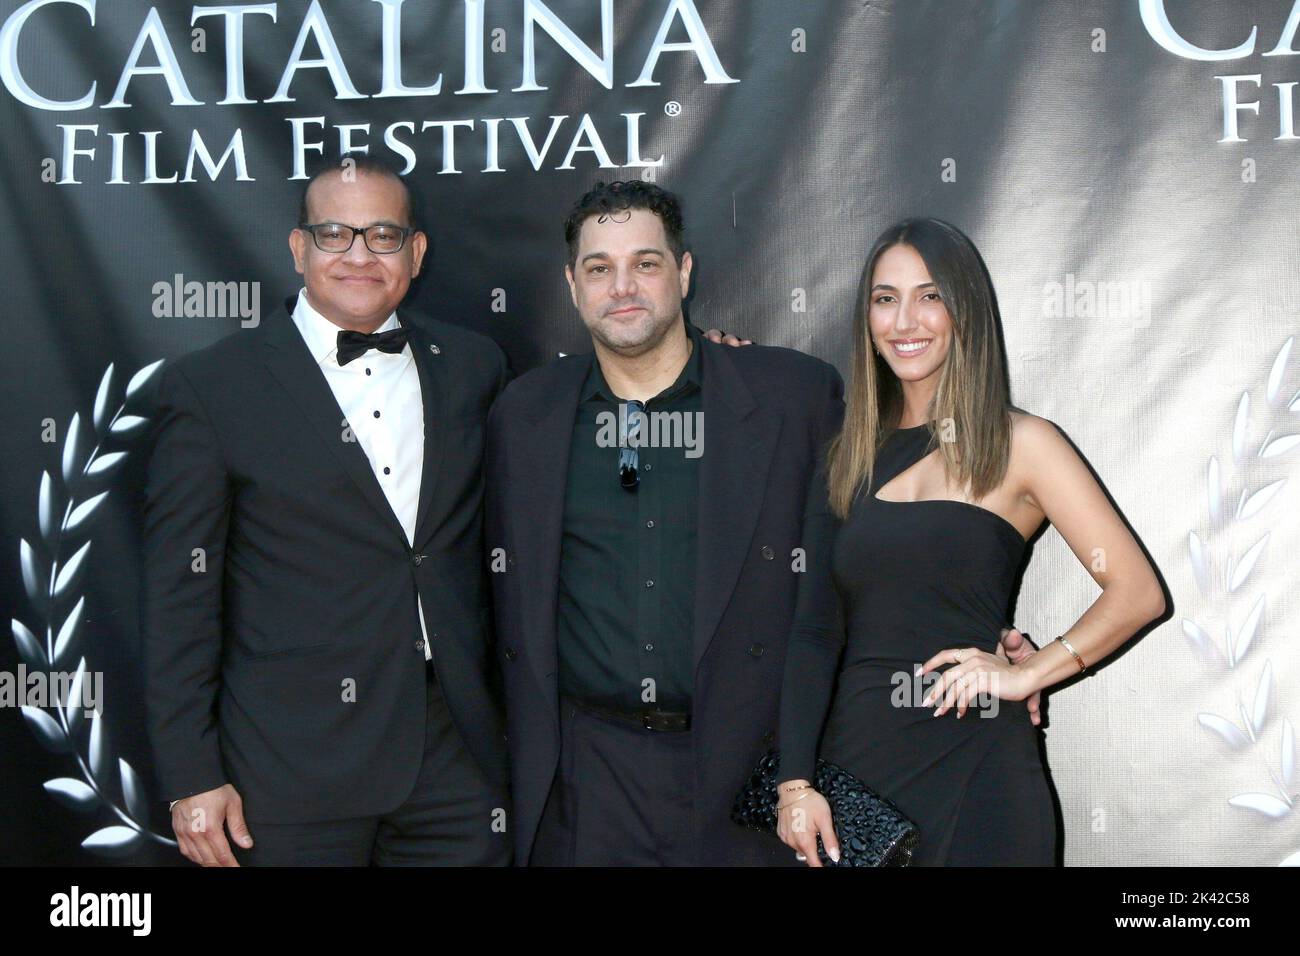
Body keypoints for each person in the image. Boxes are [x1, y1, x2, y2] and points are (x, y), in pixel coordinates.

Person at [483, 184, 1034, 866]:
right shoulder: (523, 415)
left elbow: (875, 550)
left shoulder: (792, 397)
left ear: (684, 274)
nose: (622, 286)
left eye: (646, 263)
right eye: (599, 268)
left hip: (756, 778)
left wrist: (985, 641)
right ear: (572, 284)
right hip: (588, 784)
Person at [140, 152, 512, 865]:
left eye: (383, 235)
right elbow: (177, 598)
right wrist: (192, 775)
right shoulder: (211, 388)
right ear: (298, 247)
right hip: (283, 765)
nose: (360, 255)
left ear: (416, 251)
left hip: (455, 753)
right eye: (335, 233)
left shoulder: (475, 366)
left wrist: (699, 364)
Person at [775, 217, 1167, 866]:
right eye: (884, 298)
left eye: (930, 296)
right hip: (861, 775)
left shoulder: (1024, 445)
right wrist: (795, 784)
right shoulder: (844, 459)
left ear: (965, 311)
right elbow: (815, 631)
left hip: (981, 772)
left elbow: (1138, 593)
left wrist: (1034, 671)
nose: (905, 320)